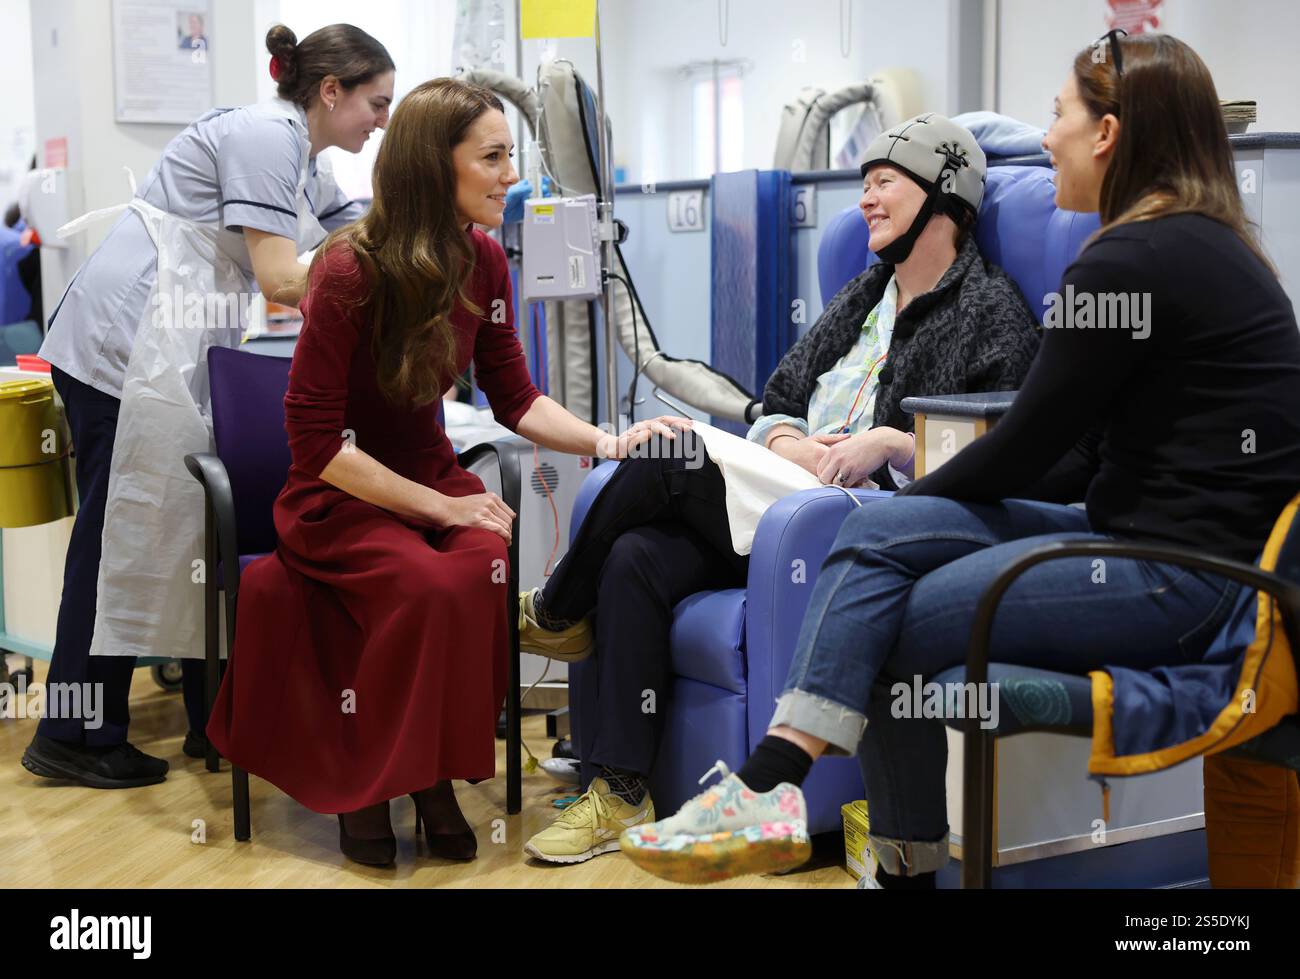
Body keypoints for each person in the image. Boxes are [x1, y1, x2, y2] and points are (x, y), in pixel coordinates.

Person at [621, 32, 1300, 889]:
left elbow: (1025, 450)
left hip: (1190, 583)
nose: (1045, 137)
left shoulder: (1130, 259)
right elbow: (1077, 456)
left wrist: (912, 506)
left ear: (1110, 133)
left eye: (1059, 115)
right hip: (1181, 550)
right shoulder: (1211, 245)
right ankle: (801, 807)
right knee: (882, 567)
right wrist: (914, 516)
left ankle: (818, 820)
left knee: (886, 620)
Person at [520, 115, 1043, 865]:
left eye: (883, 183)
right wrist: (788, 439)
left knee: (668, 454)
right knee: (635, 554)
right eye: (862, 186)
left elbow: (1004, 451)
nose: (864, 200)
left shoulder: (989, 311)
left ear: (944, 199)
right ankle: (620, 789)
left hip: (856, 518)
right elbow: (776, 395)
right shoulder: (866, 291)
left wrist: (893, 444)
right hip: (780, 491)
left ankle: (554, 609)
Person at [204, 77, 690, 868]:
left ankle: (430, 775)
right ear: (437, 166)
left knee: (483, 571)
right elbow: (318, 444)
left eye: (511, 155)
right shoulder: (346, 272)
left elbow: (518, 398)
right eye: (493, 157)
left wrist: (610, 442)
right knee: (427, 583)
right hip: (342, 494)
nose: (510, 175)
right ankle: (373, 785)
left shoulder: (485, 261)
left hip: (433, 481)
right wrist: (442, 506)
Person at [21, 24, 394, 790]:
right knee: (115, 530)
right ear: (332, 91)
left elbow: (347, 234)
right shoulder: (266, 136)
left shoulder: (301, 155)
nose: (381, 121)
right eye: (376, 103)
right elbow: (283, 279)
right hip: (120, 348)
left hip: (162, 345)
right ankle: (70, 731)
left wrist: (408, 229)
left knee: (174, 525)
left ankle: (207, 721)